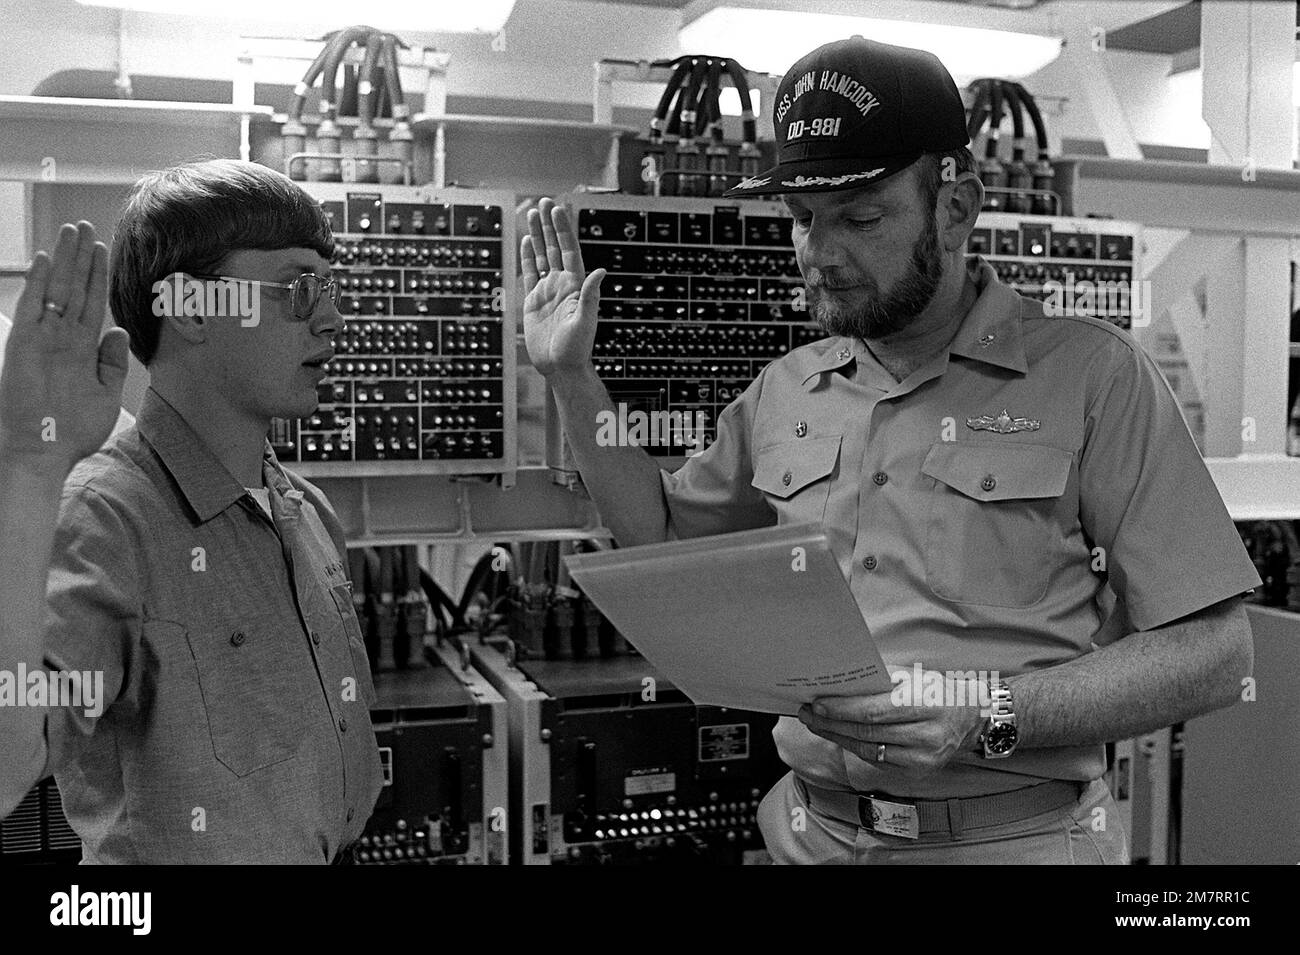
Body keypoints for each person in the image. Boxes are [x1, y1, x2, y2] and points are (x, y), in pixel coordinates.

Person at [520, 37, 1258, 864]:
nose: (819, 253)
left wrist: (990, 714)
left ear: (956, 204)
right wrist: (571, 376)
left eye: (861, 218)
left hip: (1011, 842)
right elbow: (657, 535)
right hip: (812, 830)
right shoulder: (787, 388)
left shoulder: (1095, 378)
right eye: (802, 220)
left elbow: (1216, 653)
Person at [0, 159, 382, 863]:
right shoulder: (105, 521)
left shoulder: (309, 515)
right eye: (298, 288)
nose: (331, 318)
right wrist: (30, 464)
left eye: (328, 288)